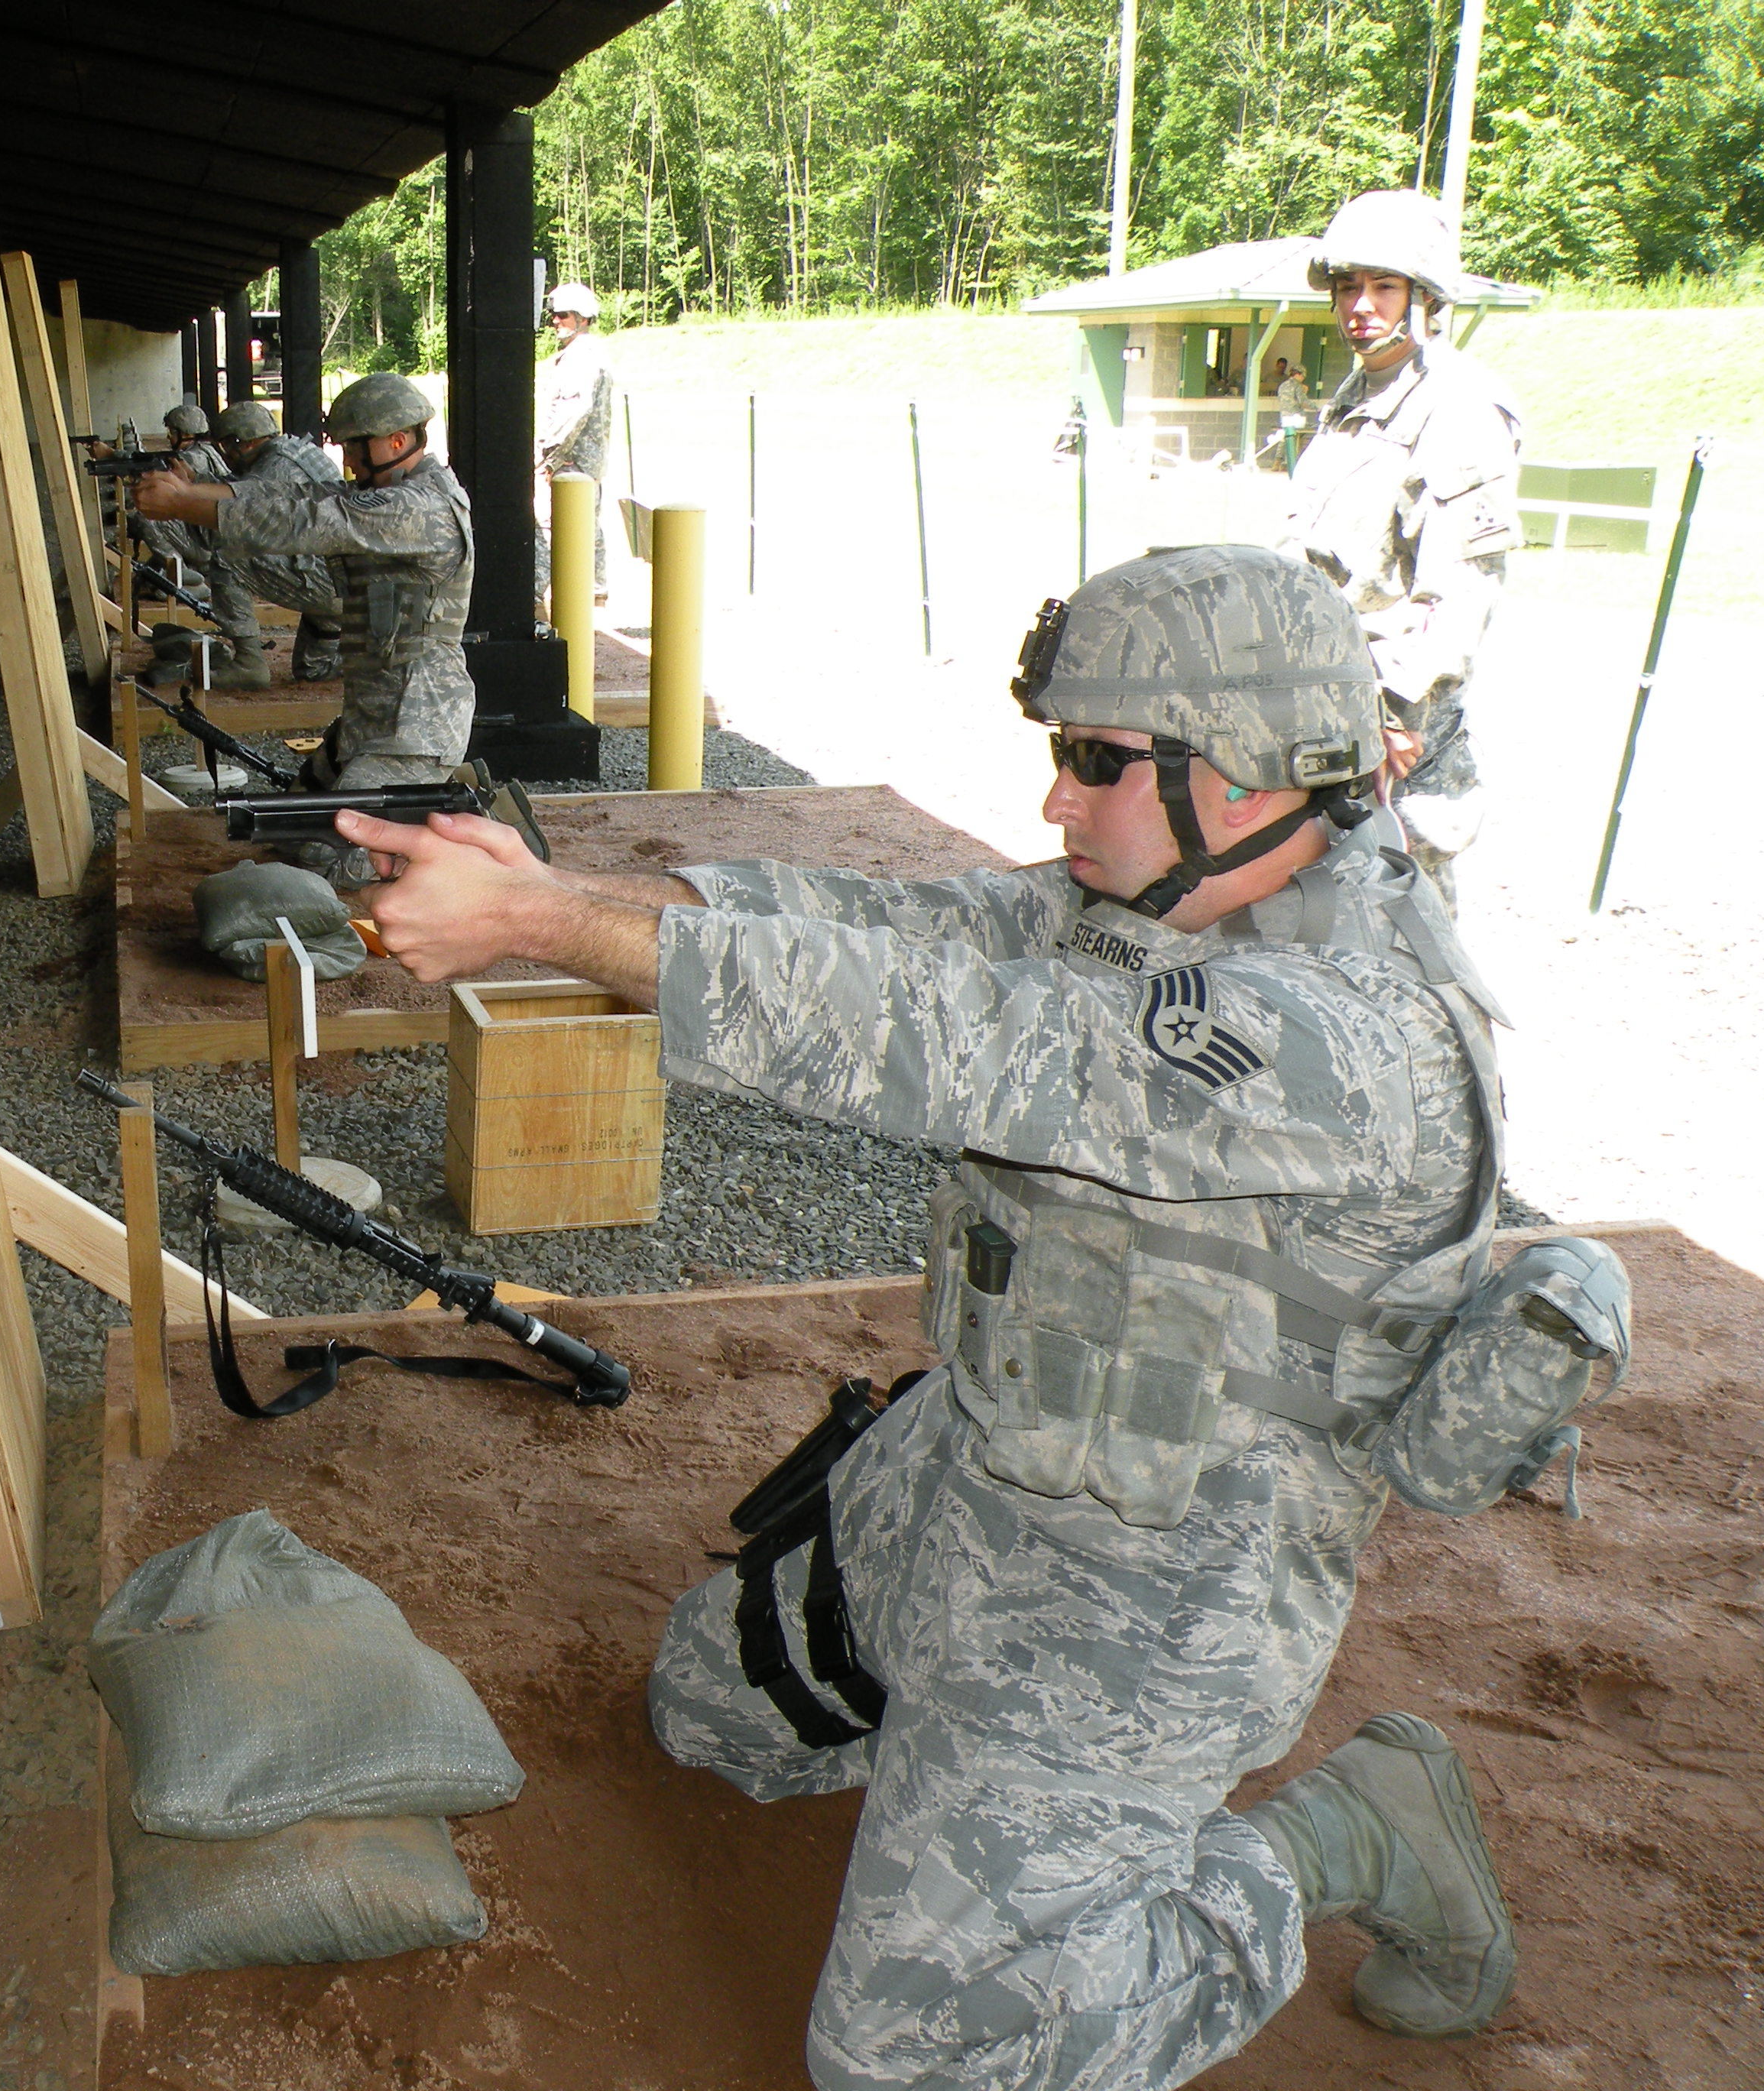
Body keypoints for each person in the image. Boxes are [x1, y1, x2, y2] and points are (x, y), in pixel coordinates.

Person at [334, 543, 1518, 2091]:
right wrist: (555, 890)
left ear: (1240, 777)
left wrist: (541, 926)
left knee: (905, 2060)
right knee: (706, 1712)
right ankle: (959, 1765)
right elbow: (893, 932)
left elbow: (944, 1034)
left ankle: (1348, 1831)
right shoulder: (1190, 890)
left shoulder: (1355, 1038)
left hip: (1154, 1588)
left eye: (1096, 760)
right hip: (982, 1462)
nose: (1056, 799)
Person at [1281, 189, 1524, 910]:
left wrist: (1393, 711)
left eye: (1383, 286)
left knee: (1404, 911)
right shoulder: (1360, 393)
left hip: (1398, 718)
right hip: (1328, 688)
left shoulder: (1460, 408)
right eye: (1347, 287)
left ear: (1426, 297)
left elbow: (1462, 588)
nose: (1360, 305)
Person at [136, 369, 474, 826]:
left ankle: (461, 831)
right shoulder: (392, 491)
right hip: (373, 717)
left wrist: (182, 505)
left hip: (415, 729)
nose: (347, 458)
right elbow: (293, 496)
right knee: (291, 829)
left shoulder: (420, 507)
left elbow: (307, 521)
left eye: (356, 446)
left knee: (333, 853)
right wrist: (191, 491)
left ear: (397, 441)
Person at [202, 400, 346, 686]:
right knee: (312, 671)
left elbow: (235, 509)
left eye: (226, 447)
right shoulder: (293, 451)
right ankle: (366, 656)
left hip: (331, 583)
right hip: (343, 580)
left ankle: (248, 663)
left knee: (227, 553)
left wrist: (182, 491)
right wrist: (196, 479)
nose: (225, 456)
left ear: (242, 444)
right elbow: (242, 484)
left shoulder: (277, 467)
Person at [536, 280, 615, 597]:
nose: (555, 321)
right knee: (585, 526)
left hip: (572, 460)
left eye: (563, 315)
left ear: (582, 318)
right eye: (554, 315)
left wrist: (550, 459)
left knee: (550, 525)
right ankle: (593, 591)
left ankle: (535, 592)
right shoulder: (585, 354)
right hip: (580, 460)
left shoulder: (581, 357)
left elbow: (574, 412)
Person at [125, 401, 235, 611]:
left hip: (207, 544)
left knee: (145, 518)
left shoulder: (193, 458)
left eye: (172, 432)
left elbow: (159, 489)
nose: (169, 437)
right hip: (213, 538)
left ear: (185, 433)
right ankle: (168, 575)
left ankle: (182, 577)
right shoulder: (208, 452)